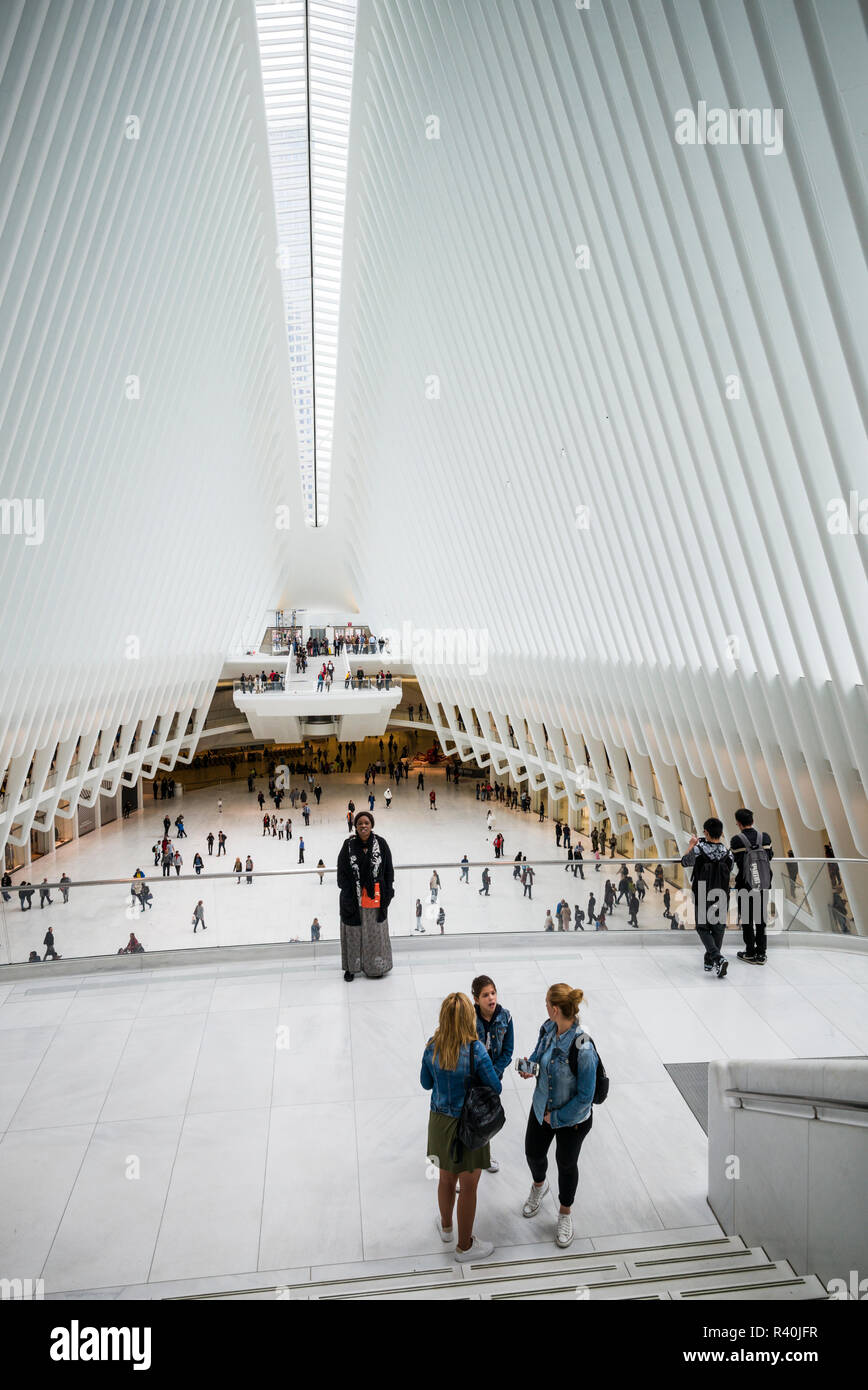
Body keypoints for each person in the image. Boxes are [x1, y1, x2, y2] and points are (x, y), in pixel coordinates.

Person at [421, 993, 501, 1261]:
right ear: (470, 1017)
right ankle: (465, 1246)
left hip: (440, 1122)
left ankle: (446, 1229)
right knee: (469, 1186)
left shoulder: (432, 1046)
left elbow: (425, 1083)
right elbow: (495, 1087)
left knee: (445, 1179)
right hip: (470, 1124)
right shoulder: (475, 1049)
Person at [518, 984, 597, 1248]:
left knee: (566, 1164)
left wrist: (558, 1118)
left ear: (555, 1009)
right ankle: (539, 1186)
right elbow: (541, 1055)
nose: (545, 1009)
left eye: (546, 1004)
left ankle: (565, 1213)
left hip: (572, 1120)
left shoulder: (583, 1047)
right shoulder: (549, 1028)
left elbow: (587, 1095)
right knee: (533, 1152)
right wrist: (532, 1067)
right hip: (542, 1107)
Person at [337, 811, 395, 980]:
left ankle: (375, 967)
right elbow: (341, 871)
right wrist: (348, 892)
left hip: (375, 900)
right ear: (355, 826)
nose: (363, 826)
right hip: (353, 900)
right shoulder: (348, 845)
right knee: (353, 934)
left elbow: (389, 870)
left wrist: (388, 891)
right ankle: (351, 967)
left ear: (372, 825)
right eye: (360, 823)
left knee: (375, 934)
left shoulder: (381, 844)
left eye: (366, 823)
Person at [472, 975, 514, 1174]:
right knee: (467, 1118)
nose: (491, 998)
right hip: (472, 1078)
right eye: (485, 995)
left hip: (493, 1079)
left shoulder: (505, 1017)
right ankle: (460, 1165)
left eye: (493, 993)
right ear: (476, 999)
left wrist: (493, 1073)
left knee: (486, 1119)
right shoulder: (469, 1018)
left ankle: (484, 1156)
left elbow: (507, 1051)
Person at [682, 818, 734, 976]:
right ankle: (710, 960)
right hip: (722, 894)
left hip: (703, 893)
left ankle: (716, 958)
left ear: (705, 832)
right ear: (721, 833)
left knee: (702, 927)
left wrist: (691, 844)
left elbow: (685, 862)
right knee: (718, 928)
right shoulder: (727, 853)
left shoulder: (699, 849)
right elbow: (730, 868)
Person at [731, 809, 773, 965]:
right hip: (763, 884)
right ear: (752, 821)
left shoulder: (736, 840)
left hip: (745, 884)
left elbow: (736, 860)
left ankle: (749, 952)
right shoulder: (765, 838)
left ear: (738, 823)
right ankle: (761, 954)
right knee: (761, 919)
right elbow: (770, 856)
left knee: (747, 919)